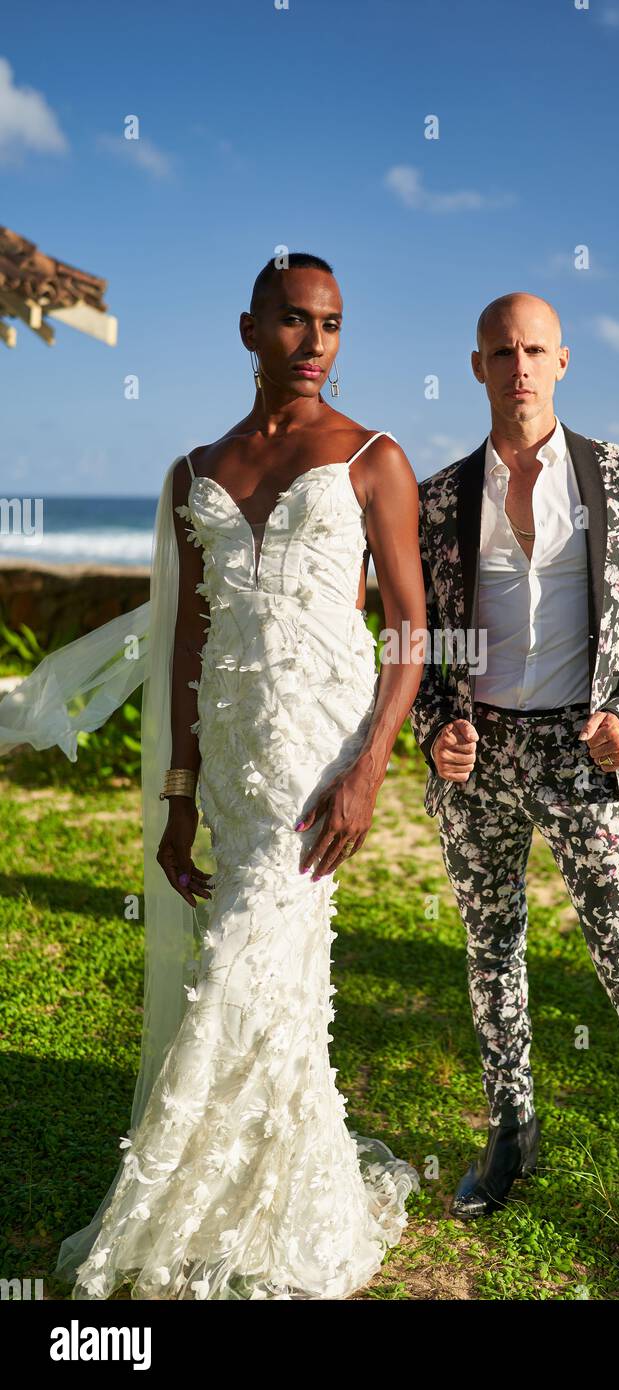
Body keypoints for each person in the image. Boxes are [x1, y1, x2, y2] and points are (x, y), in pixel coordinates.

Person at [0, 252, 427, 1300]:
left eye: (330, 323)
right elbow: (186, 639)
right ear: (248, 331)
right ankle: (284, 1187)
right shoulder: (195, 469)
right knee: (274, 979)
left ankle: (190, 1210)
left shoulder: (375, 457)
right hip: (231, 755)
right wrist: (179, 792)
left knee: (247, 952)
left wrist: (369, 766)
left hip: (319, 752)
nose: (314, 342)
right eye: (292, 321)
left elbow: (413, 629)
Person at [409, 292, 619, 1298]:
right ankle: (511, 1129)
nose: (519, 367)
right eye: (500, 352)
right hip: (481, 754)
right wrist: (434, 726)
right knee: (489, 948)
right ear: (475, 367)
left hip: (586, 756)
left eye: (534, 349)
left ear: (562, 359)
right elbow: (421, 637)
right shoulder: (439, 496)